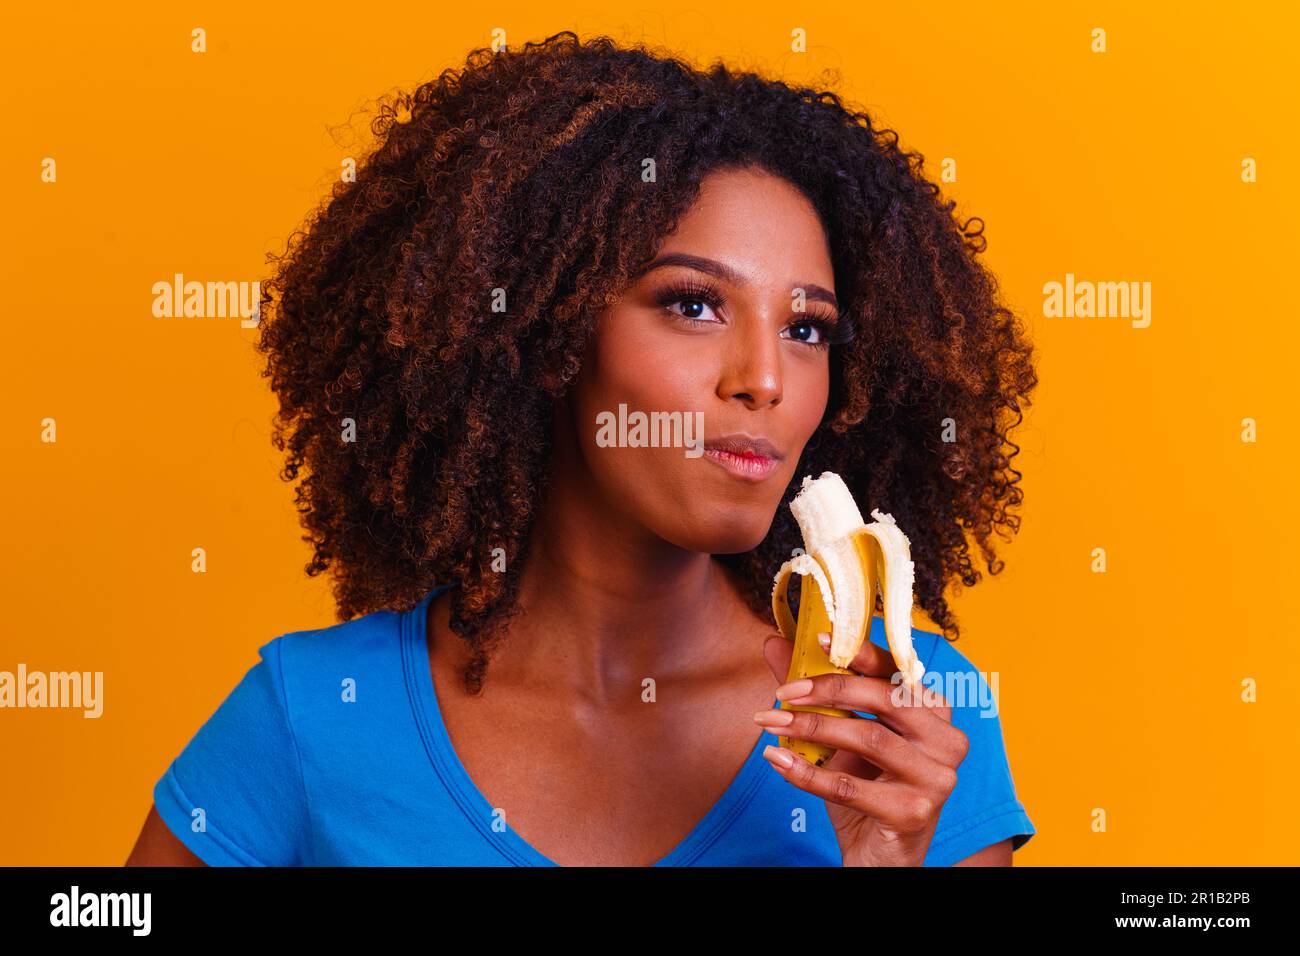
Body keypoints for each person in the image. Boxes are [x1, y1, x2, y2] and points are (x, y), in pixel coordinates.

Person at [127, 30, 1038, 867]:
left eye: (808, 328)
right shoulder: (312, 720)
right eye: (692, 304)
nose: (766, 378)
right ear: (544, 331)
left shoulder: (901, 727)